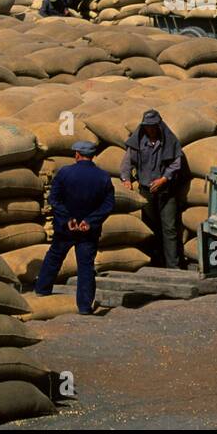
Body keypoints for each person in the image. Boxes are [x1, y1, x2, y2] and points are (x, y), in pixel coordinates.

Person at [34, 140, 115, 315]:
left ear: (77, 154)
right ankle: (85, 306)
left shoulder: (64, 173)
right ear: (93, 156)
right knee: (85, 266)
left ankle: (43, 288)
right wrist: (90, 221)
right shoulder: (103, 177)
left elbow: (54, 199)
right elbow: (108, 205)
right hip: (88, 231)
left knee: (55, 256)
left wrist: (68, 218)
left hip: (65, 228)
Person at [120, 109, 185, 269]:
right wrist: (126, 179)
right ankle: (153, 263)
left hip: (167, 192)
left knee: (169, 228)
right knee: (150, 228)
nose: (150, 129)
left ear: (159, 125)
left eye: (153, 126)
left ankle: (173, 267)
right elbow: (127, 162)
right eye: (147, 126)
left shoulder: (169, 141)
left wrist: (164, 179)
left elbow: (176, 164)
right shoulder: (138, 142)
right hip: (146, 191)